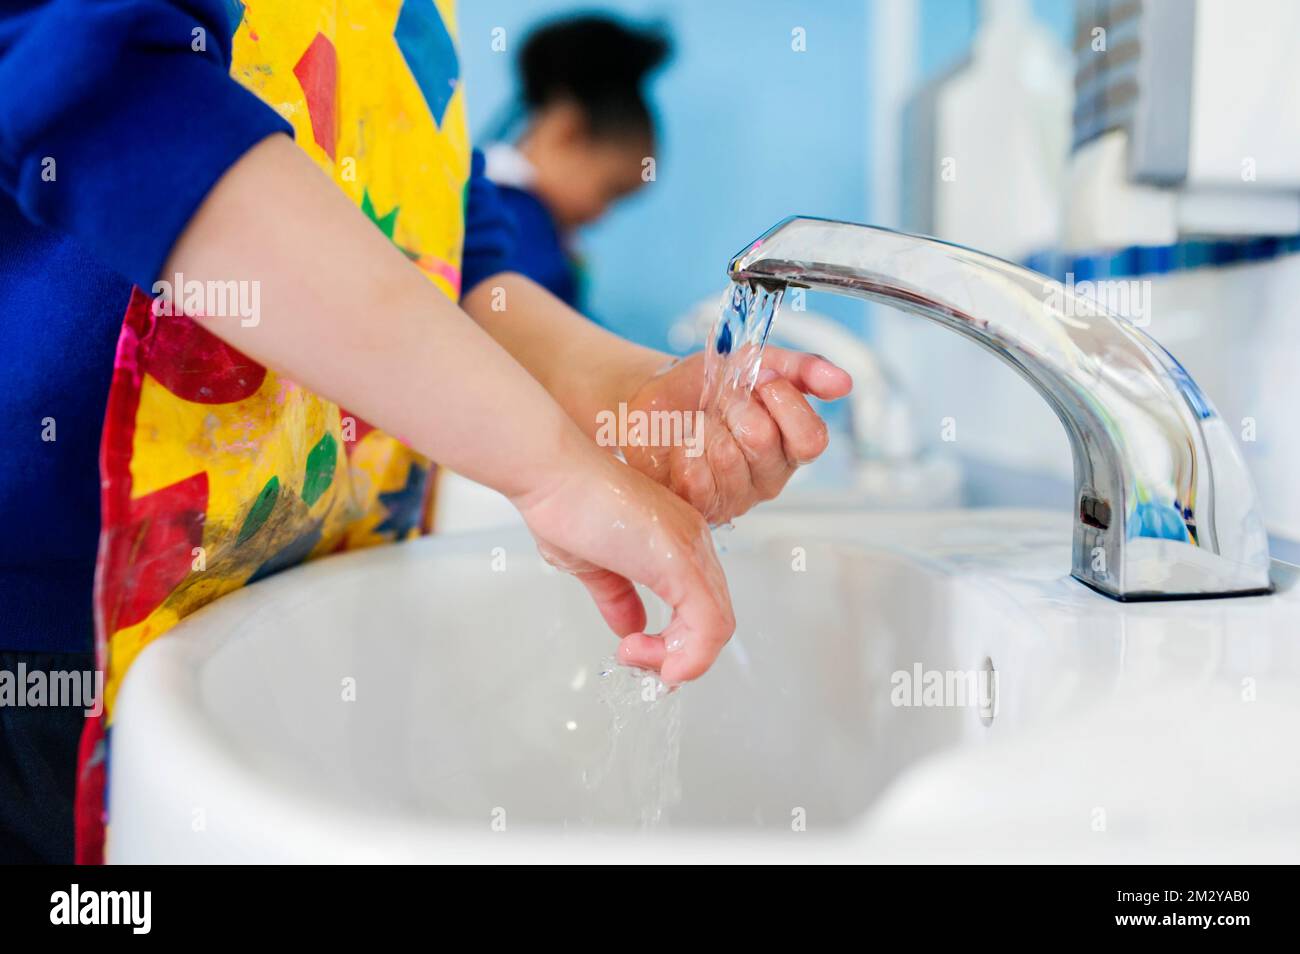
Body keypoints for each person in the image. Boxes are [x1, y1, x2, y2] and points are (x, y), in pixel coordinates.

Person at [0, 0, 851, 863]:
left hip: (286, 588)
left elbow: (450, 255)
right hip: (46, 639)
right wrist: (548, 466)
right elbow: (112, 96)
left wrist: (628, 393)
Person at [483, 15, 669, 311]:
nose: (602, 216)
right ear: (567, 131)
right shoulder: (512, 220)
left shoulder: (505, 209)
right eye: (610, 192)